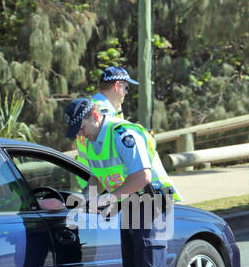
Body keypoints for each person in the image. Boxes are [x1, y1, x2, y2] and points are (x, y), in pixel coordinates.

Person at [65, 97, 174, 267]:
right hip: (128, 203)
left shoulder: (123, 134)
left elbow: (142, 176)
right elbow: (94, 176)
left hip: (149, 200)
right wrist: (89, 200)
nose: (80, 134)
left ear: (94, 114)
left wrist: (111, 196)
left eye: (81, 127)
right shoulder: (87, 141)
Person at [73, 65, 181, 202]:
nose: (126, 93)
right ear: (117, 85)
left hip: (98, 179)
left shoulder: (88, 107)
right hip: (143, 190)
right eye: (126, 88)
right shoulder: (102, 114)